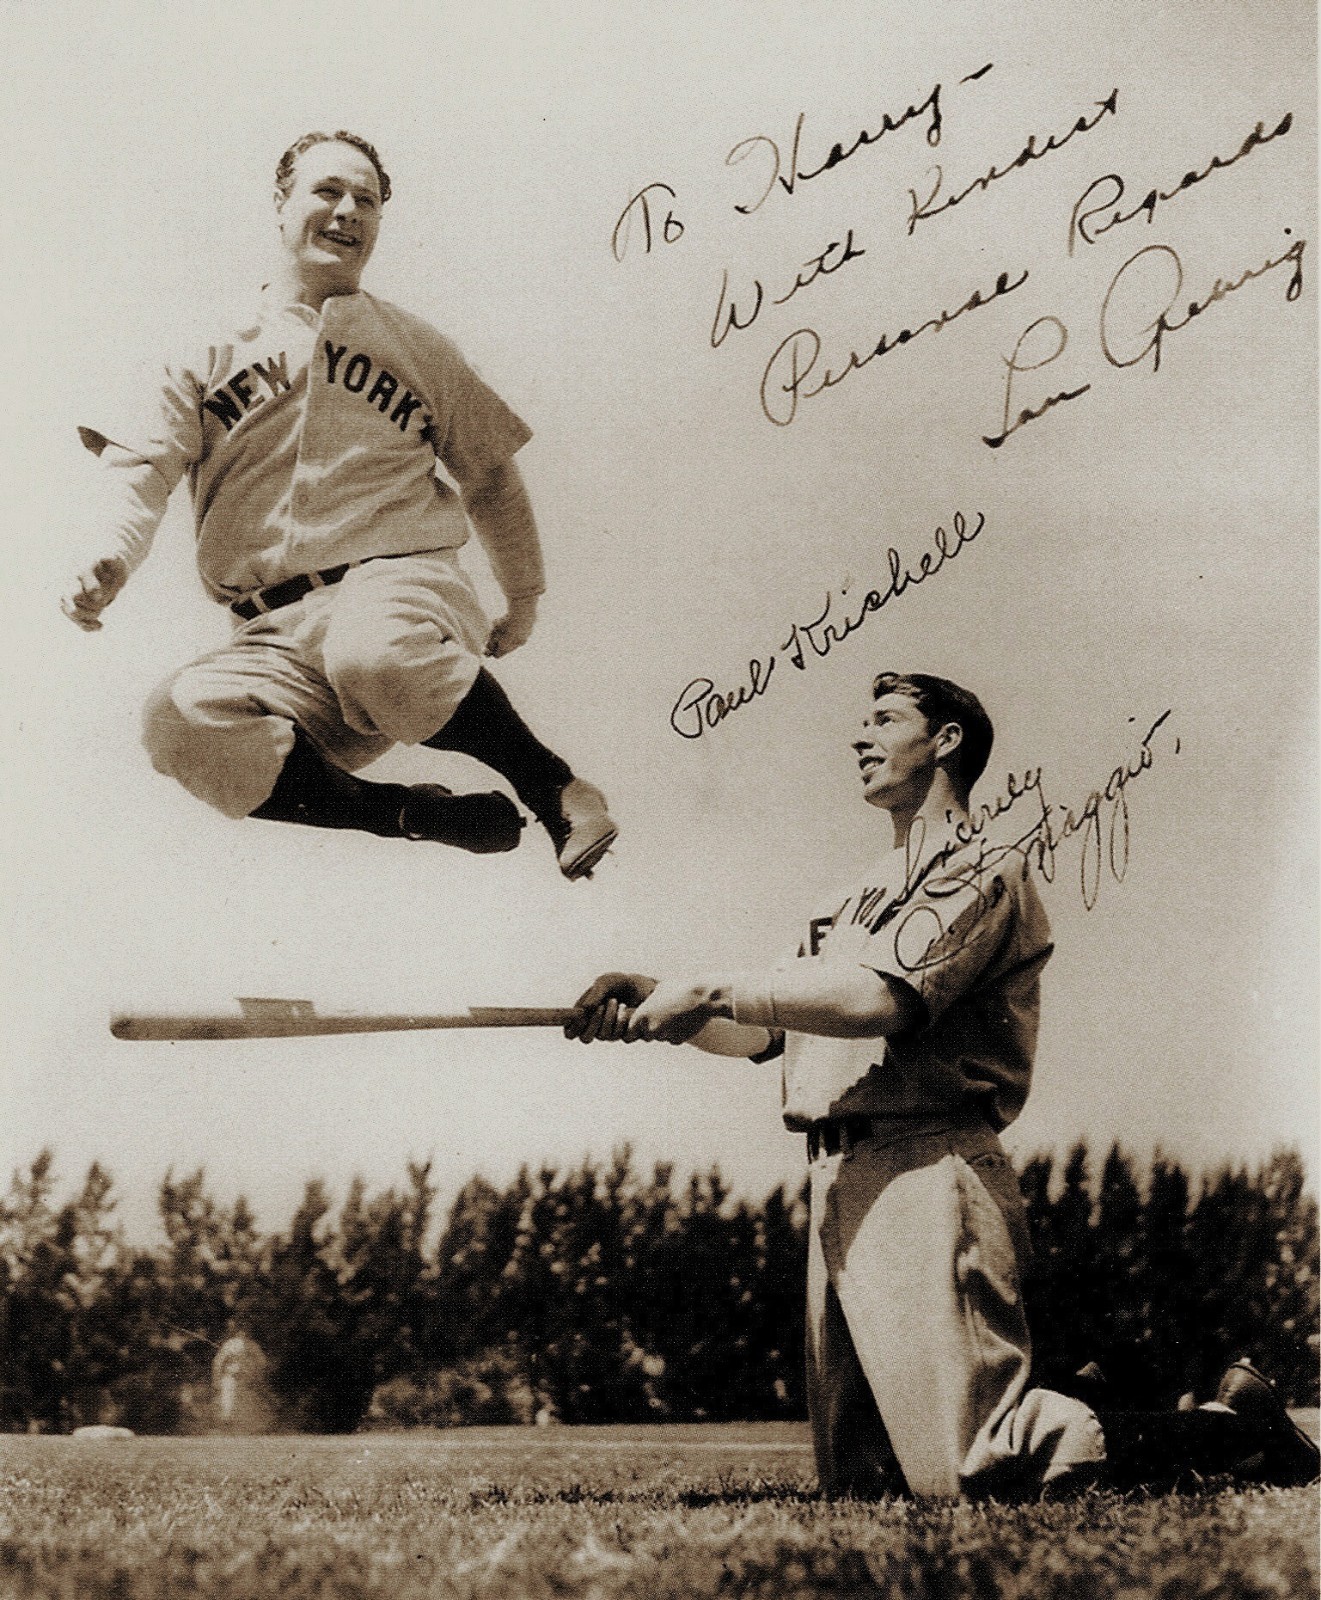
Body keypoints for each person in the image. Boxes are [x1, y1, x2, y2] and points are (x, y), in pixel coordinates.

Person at [565, 671, 1318, 1496]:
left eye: (883, 719)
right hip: (838, 1180)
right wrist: (652, 993)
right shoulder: (848, 898)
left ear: (947, 741)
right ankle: (1102, 1399)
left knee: (978, 1468)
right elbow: (764, 1032)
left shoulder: (980, 865)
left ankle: (1228, 1431)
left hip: (924, 1169)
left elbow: (879, 999)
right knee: (866, 1483)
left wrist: (709, 986)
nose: (860, 736)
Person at [61, 130, 616, 880]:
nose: (348, 210)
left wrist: (522, 599)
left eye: (367, 199)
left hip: (399, 588)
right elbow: (144, 465)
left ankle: (554, 788)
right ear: (282, 205)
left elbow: (490, 478)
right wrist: (111, 557)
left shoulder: (420, 347)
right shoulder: (203, 347)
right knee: (180, 721)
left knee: (374, 646)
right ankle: (408, 813)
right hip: (273, 628)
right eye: (327, 190)